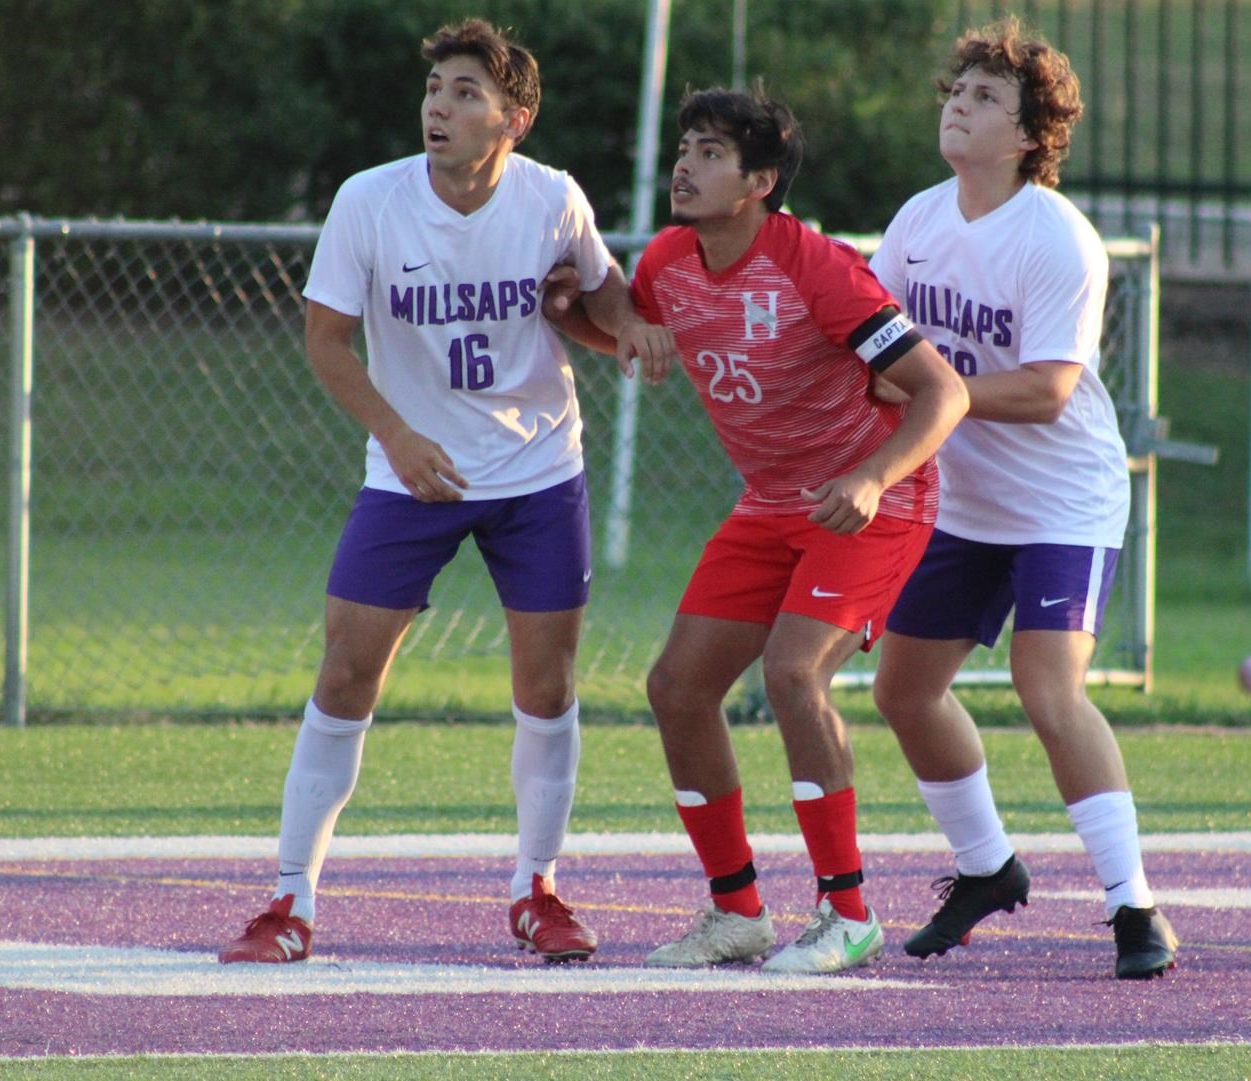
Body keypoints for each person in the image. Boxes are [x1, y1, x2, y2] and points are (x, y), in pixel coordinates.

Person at [217, 17, 672, 966]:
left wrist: (626, 321)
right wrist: (397, 434)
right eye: (435, 89)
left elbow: (600, 287)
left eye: (467, 93)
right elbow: (326, 341)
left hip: (537, 469)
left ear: (515, 118)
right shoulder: (370, 199)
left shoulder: (551, 196)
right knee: (347, 672)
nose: (440, 106)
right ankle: (289, 899)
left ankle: (537, 888)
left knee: (546, 685)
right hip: (410, 473)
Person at [630, 87, 969, 974]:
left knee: (791, 671)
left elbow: (943, 394)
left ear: (759, 182)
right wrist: (609, 323)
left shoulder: (817, 268)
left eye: (710, 153)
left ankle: (848, 913)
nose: (684, 165)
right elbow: (617, 319)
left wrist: (870, 476)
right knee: (676, 687)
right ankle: (736, 912)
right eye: (685, 147)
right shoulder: (667, 261)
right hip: (770, 501)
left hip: (874, 502)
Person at [866, 18, 1177, 979]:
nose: (960, 105)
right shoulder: (918, 221)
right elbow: (870, 349)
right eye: (957, 90)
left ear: (1032, 134)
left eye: (987, 97)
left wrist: (934, 392)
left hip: (1062, 502)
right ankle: (986, 867)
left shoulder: (1056, 238)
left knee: (1048, 690)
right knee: (902, 691)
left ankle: (1133, 906)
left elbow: (1046, 390)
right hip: (963, 503)